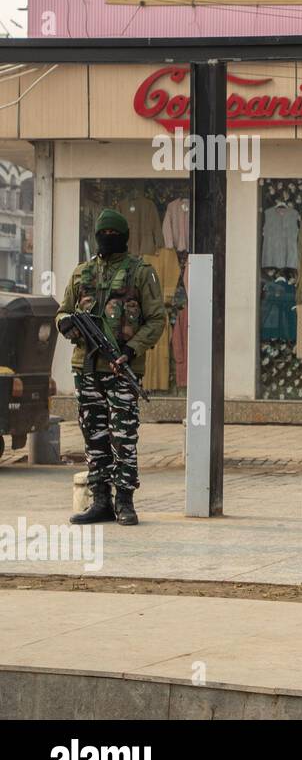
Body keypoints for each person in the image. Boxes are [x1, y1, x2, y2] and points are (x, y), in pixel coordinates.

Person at [55, 209, 166, 526]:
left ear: (123, 238)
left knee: (124, 438)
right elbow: (63, 312)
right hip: (86, 370)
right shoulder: (81, 274)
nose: (106, 239)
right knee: (94, 436)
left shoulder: (141, 273)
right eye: (103, 234)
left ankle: (125, 502)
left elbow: (157, 319)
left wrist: (131, 351)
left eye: (112, 235)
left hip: (121, 370)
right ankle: (100, 501)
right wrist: (67, 326)